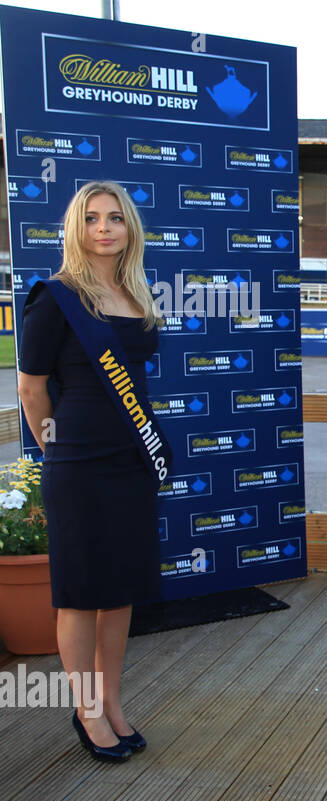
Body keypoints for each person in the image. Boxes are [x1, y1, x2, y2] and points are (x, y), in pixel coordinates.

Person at [16, 181, 162, 763]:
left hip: (131, 459)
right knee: (80, 593)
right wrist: (54, 448)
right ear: (76, 228)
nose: (104, 228)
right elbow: (31, 390)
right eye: (92, 218)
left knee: (118, 591)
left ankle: (113, 702)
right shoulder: (55, 298)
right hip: (76, 461)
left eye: (115, 218)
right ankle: (87, 710)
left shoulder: (136, 293)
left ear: (130, 228)